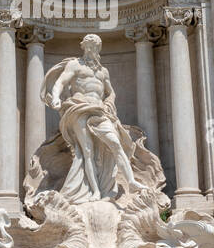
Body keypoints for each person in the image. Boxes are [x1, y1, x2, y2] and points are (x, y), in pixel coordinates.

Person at [43, 33, 145, 202]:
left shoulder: (103, 71)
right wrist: (55, 97)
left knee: (116, 143)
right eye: (90, 46)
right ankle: (95, 191)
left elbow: (110, 92)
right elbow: (60, 82)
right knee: (87, 151)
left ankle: (131, 181)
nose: (92, 49)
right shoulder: (75, 65)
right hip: (79, 108)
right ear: (84, 47)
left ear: (99, 48)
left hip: (99, 110)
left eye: (96, 46)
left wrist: (109, 103)